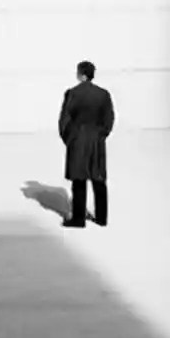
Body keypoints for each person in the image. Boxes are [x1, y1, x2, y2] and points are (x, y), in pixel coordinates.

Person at [58, 60, 115, 228]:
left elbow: (65, 120)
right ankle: (101, 217)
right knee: (98, 179)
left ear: (81, 74)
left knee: (79, 180)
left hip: (78, 140)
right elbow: (109, 119)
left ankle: (78, 219)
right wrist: (101, 135)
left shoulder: (72, 93)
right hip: (96, 140)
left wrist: (69, 139)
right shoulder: (103, 94)